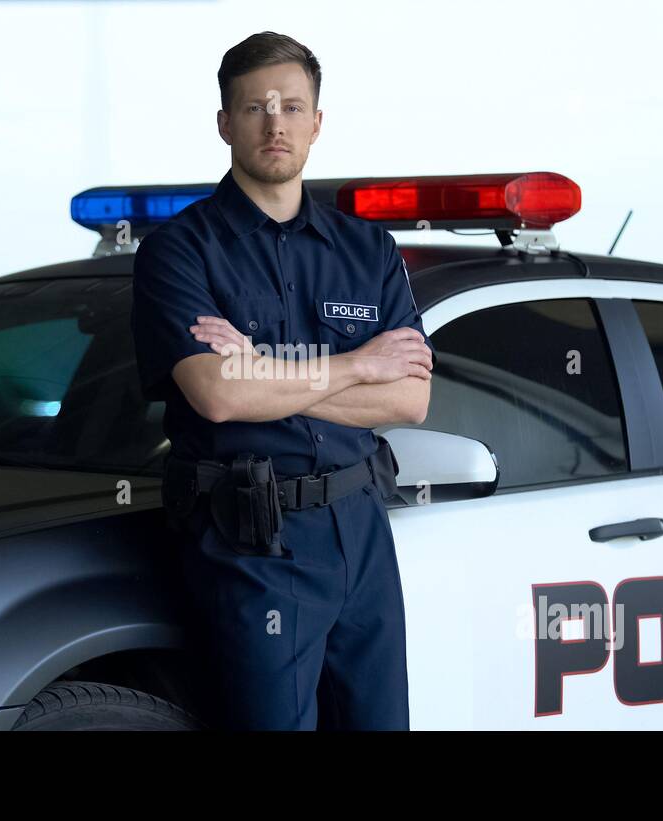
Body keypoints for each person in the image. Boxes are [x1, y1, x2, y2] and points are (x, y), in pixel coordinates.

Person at [131, 31, 435, 730]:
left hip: (361, 528)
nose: (276, 124)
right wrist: (359, 365)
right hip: (251, 541)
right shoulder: (178, 251)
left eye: (293, 107)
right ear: (224, 123)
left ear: (317, 123)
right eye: (256, 108)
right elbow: (219, 395)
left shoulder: (368, 250)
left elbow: (411, 398)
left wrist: (261, 369)